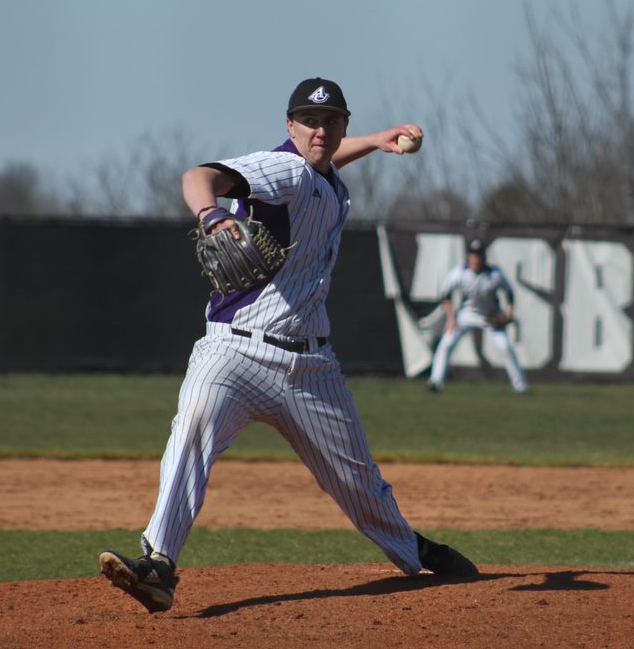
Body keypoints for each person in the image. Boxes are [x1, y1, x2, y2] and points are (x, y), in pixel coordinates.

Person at [99, 77, 478, 613]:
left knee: (357, 481)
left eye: (331, 122)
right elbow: (199, 176)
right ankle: (158, 563)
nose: (320, 131)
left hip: (311, 367)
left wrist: (375, 141)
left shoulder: (321, 174)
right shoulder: (283, 169)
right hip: (235, 352)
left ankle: (411, 549)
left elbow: (323, 159)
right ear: (289, 126)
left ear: (342, 125)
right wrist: (210, 213)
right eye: (309, 121)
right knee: (192, 429)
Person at [426, 239, 529, 394]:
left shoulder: (494, 274)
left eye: (479, 255)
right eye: (473, 255)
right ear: (469, 256)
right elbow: (445, 295)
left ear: (484, 257)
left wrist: (509, 312)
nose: (476, 258)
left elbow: (509, 292)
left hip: (490, 315)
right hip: (466, 314)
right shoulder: (459, 273)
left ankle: (521, 386)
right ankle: (435, 381)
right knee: (446, 343)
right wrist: (451, 319)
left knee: (505, 347)